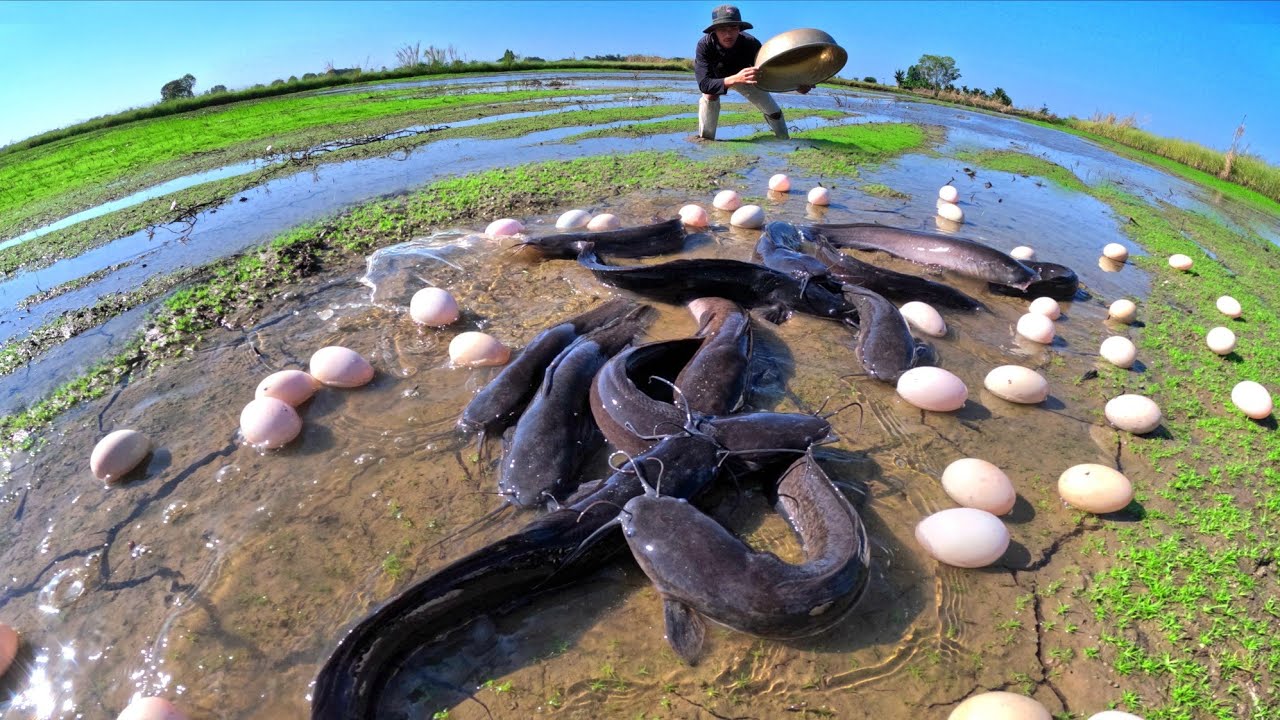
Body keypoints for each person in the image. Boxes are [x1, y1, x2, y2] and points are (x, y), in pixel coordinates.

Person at [694, 4, 810, 141]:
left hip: (746, 78)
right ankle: (706, 139)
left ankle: (784, 140)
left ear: (739, 29)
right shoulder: (705, 45)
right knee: (709, 96)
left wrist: (796, 85)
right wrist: (734, 79)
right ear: (714, 31)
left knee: (774, 113)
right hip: (719, 79)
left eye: (733, 28)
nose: (728, 34)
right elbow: (704, 84)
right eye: (722, 29)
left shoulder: (751, 44)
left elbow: (771, 72)